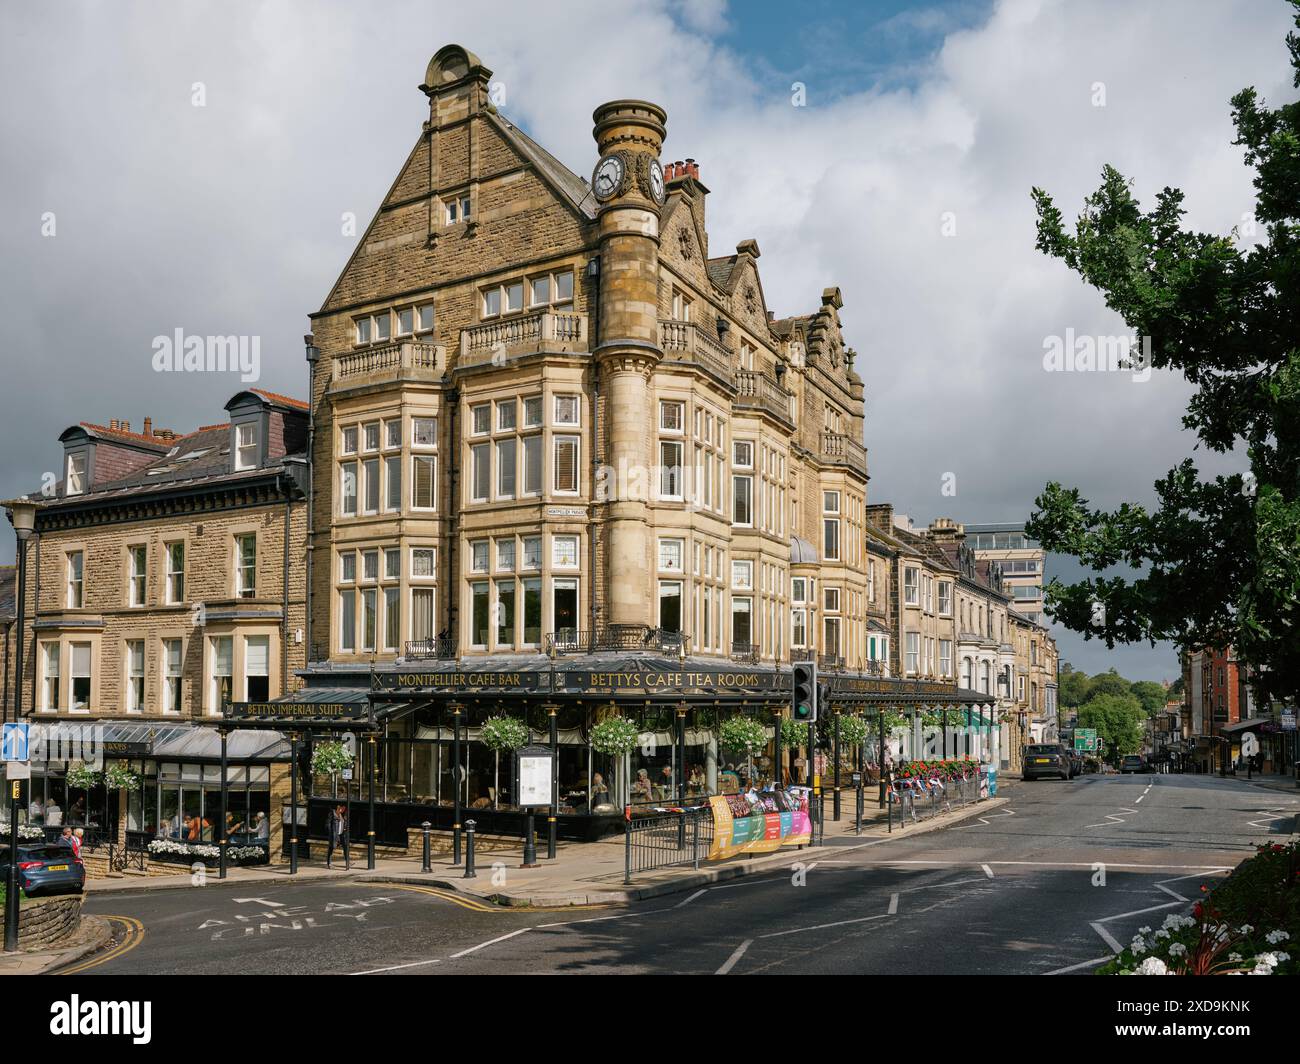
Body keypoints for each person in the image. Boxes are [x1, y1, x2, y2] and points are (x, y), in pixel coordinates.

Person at [326, 803, 348, 868]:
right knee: (331, 848)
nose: (343, 810)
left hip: (342, 835)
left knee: (346, 848)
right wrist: (331, 833)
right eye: (342, 808)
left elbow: (344, 823)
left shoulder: (342, 815)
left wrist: (345, 828)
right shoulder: (332, 814)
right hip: (334, 835)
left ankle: (347, 862)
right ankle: (329, 863)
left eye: (344, 809)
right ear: (338, 807)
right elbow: (327, 824)